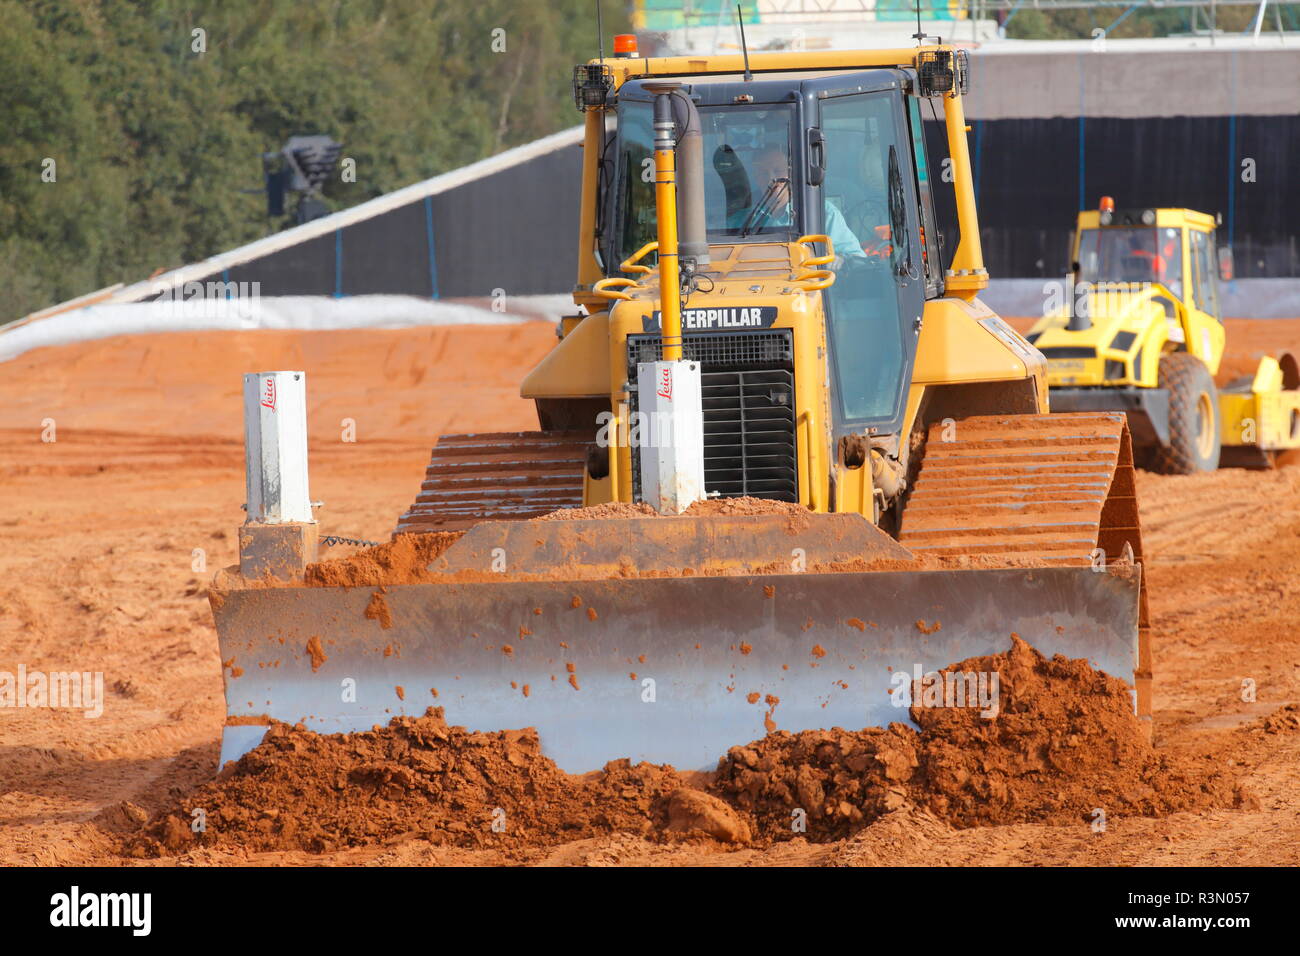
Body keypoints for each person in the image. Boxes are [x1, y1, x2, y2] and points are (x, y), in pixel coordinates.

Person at [734, 147, 867, 269]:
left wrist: (840, 259)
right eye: (763, 173)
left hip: (809, 287)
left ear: (790, 174)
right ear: (756, 178)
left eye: (778, 171)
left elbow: (857, 258)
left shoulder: (821, 212)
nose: (771, 179)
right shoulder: (740, 220)